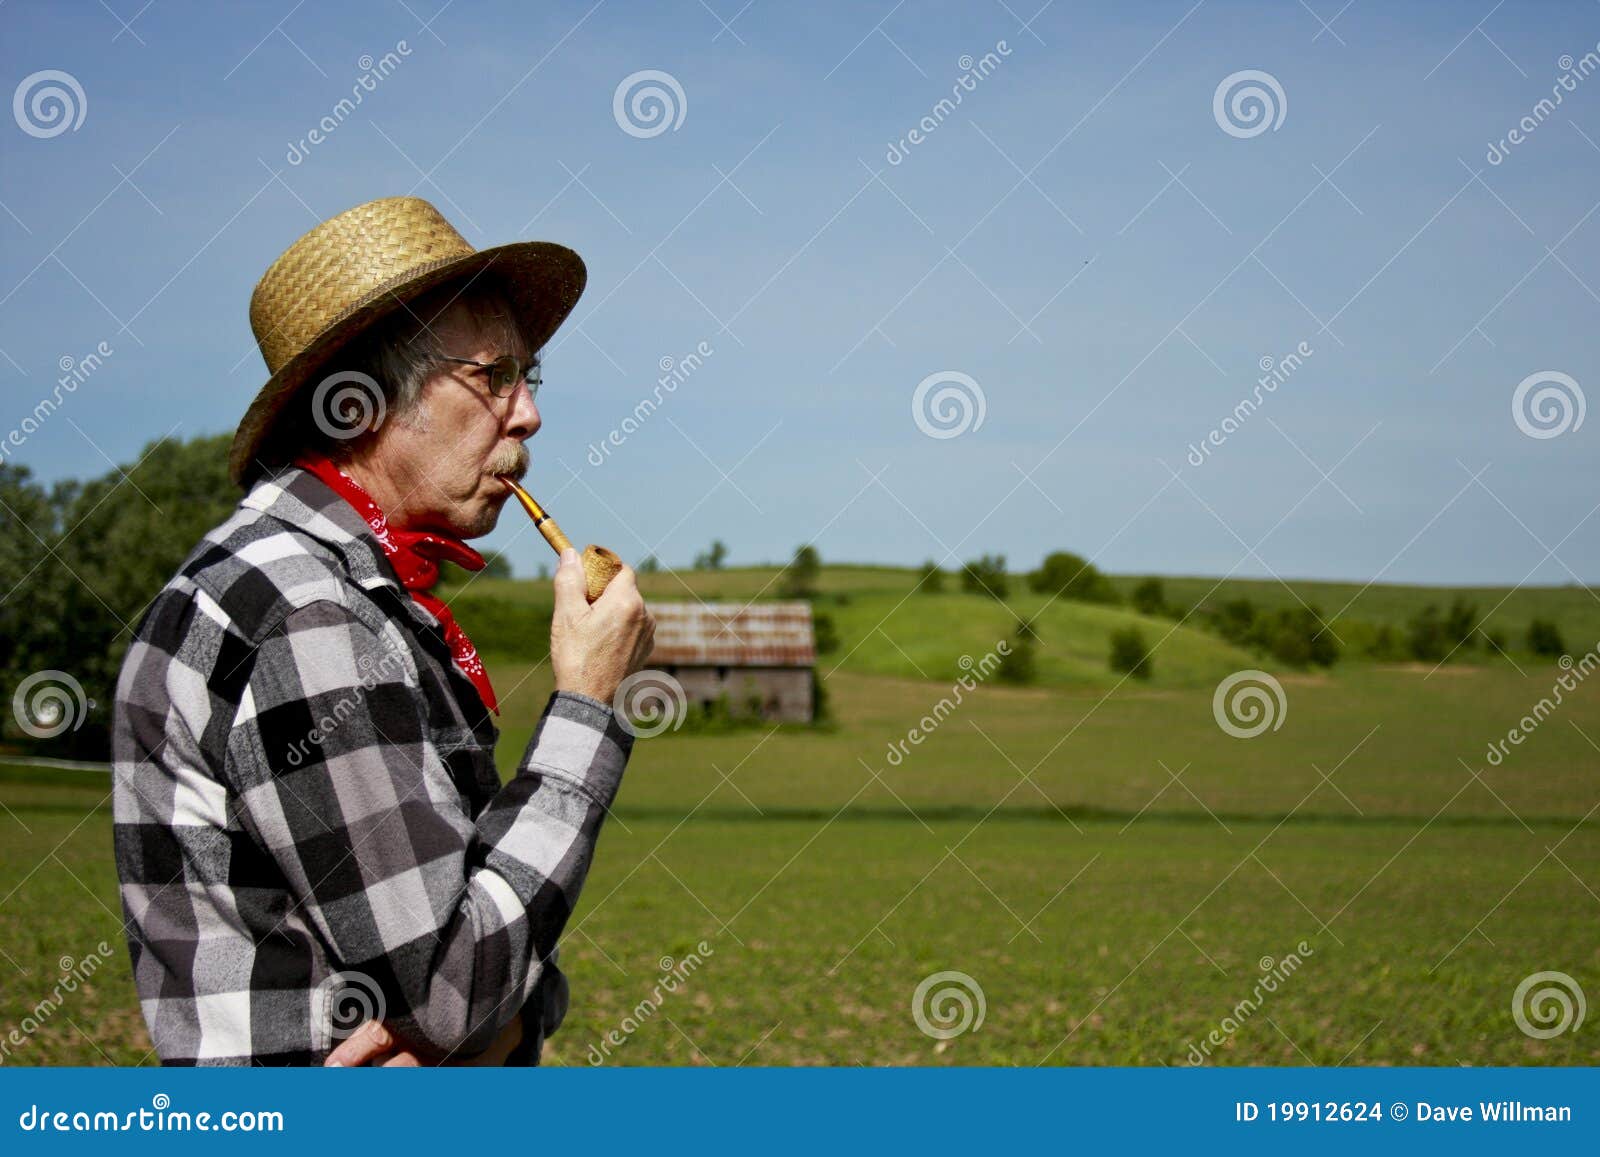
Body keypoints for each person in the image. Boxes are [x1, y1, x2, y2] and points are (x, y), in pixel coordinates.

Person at [111, 196, 654, 1065]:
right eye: (492, 377)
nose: (527, 415)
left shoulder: (318, 584)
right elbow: (454, 990)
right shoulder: (307, 614)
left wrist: (502, 1014)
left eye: (530, 378)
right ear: (362, 404)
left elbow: (485, 969)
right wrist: (588, 705)